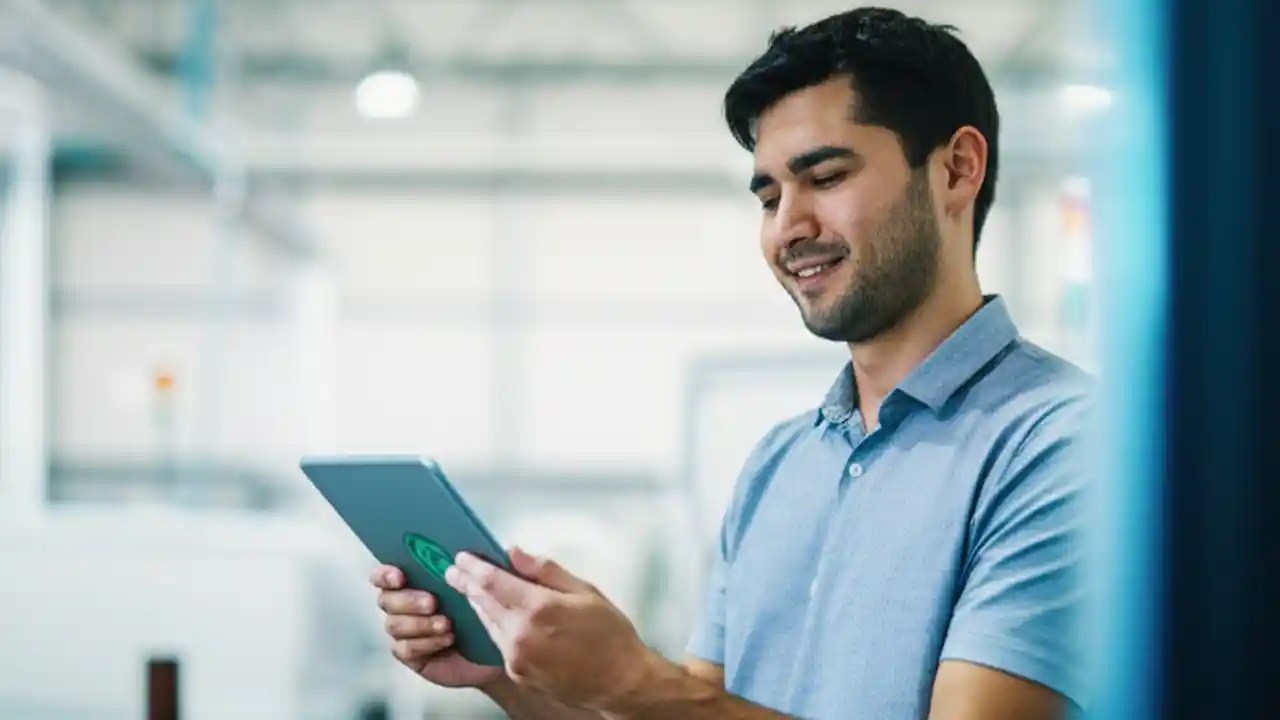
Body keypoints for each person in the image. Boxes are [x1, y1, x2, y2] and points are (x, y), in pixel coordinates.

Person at [369, 7, 1090, 719]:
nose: (788, 227)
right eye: (770, 195)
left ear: (957, 169)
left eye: (827, 177)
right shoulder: (779, 465)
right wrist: (513, 678)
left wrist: (632, 679)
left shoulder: (1064, 446)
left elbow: (666, 702)